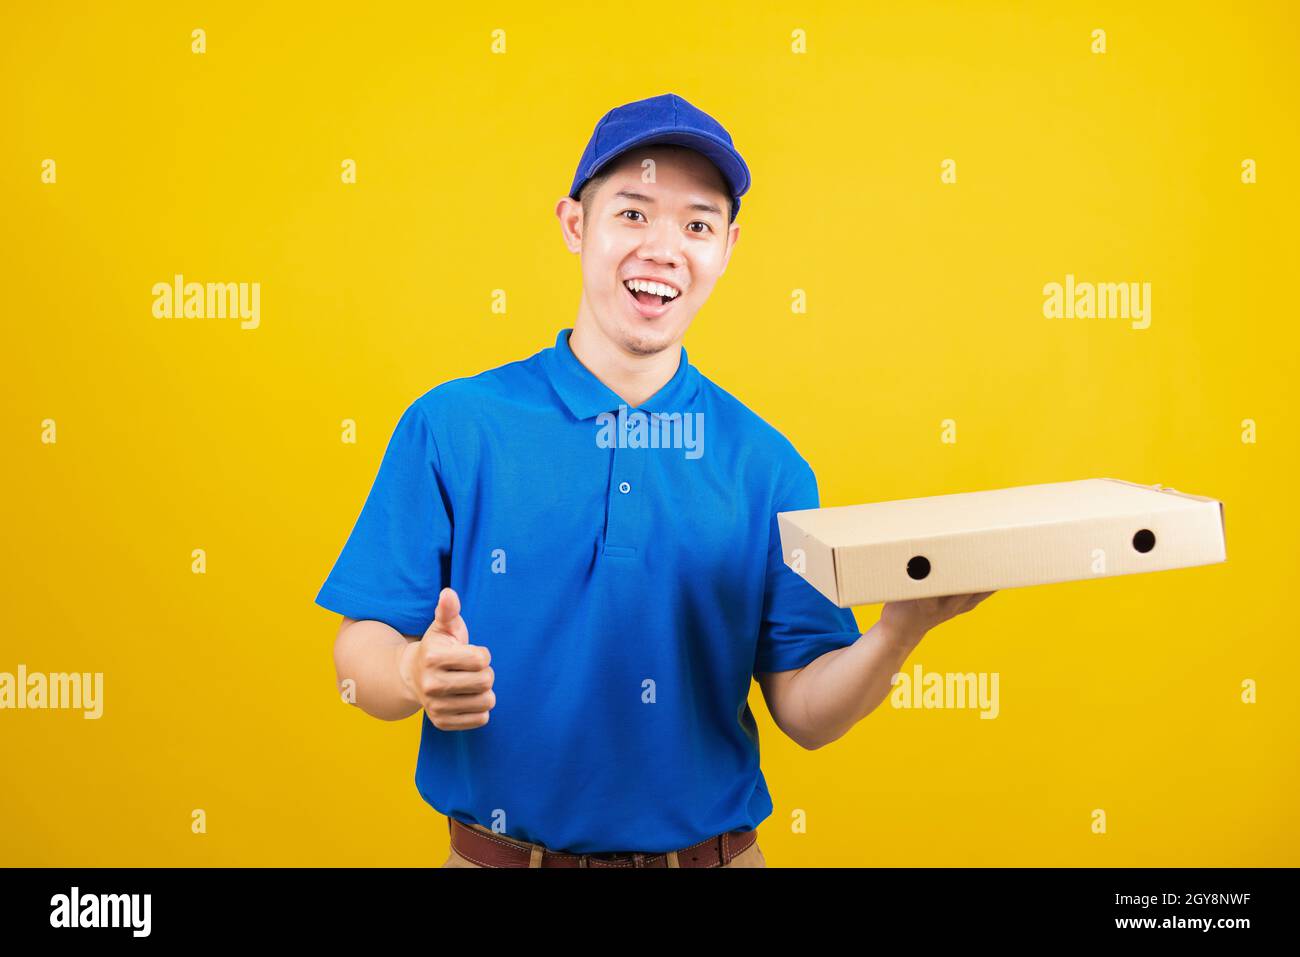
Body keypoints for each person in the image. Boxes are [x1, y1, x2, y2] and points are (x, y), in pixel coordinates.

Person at [316, 92, 994, 868]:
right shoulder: (453, 425)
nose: (664, 248)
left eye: (697, 224)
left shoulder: (768, 466)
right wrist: (410, 670)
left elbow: (805, 710)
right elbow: (357, 649)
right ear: (576, 224)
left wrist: (899, 629)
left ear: (728, 248)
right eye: (633, 213)